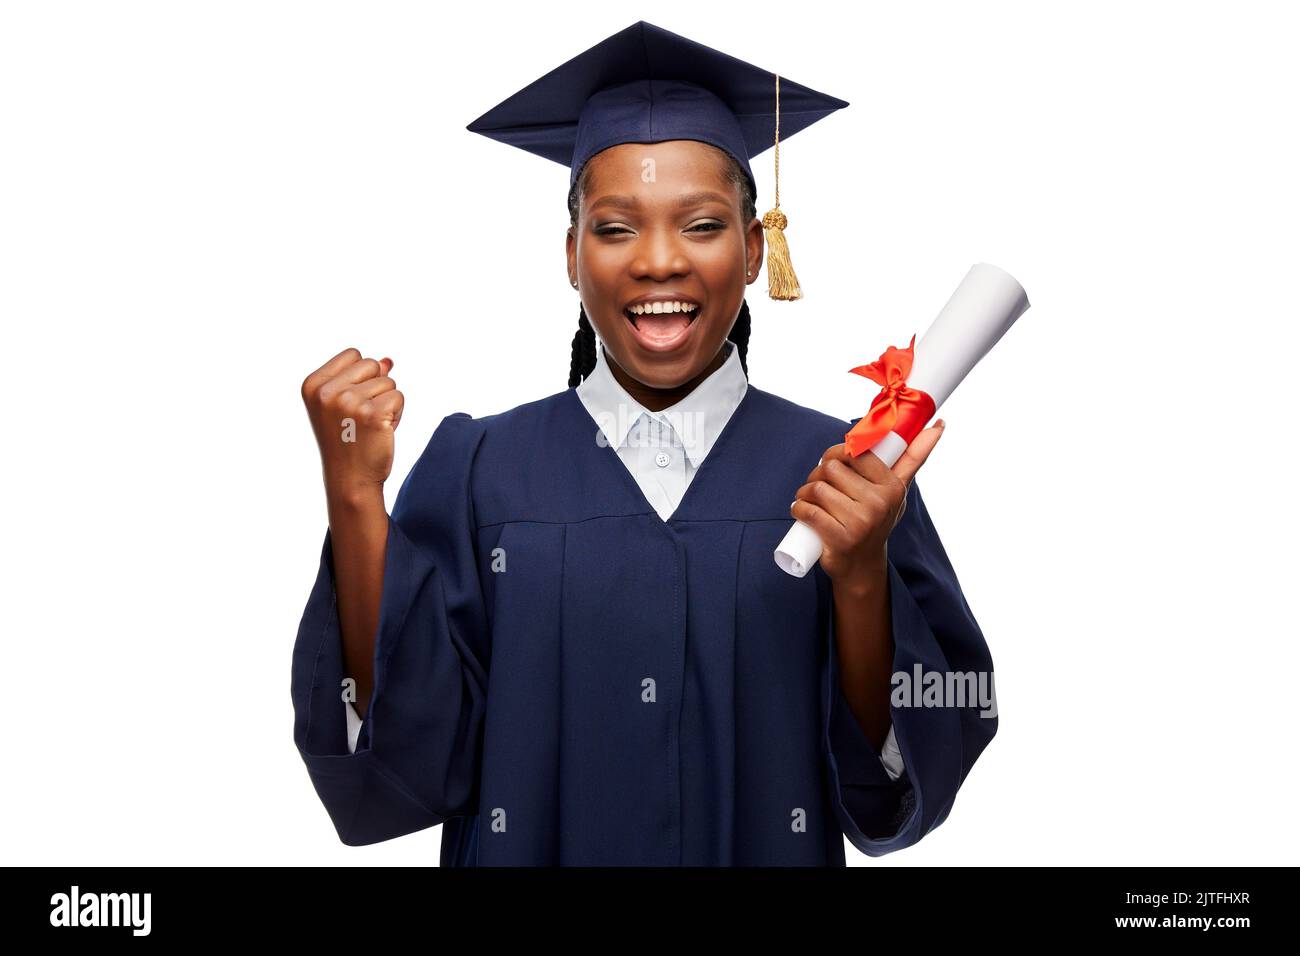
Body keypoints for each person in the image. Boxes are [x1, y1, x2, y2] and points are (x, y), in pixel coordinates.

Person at [291, 20, 997, 866]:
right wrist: (356, 500)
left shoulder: (849, 473)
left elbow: (902, 782)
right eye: (616, 228)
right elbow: (403, 770)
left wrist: (860, 581)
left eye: (701, 225)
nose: (658, 261)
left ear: (754, 252)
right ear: (571, 257)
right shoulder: (479, 470)